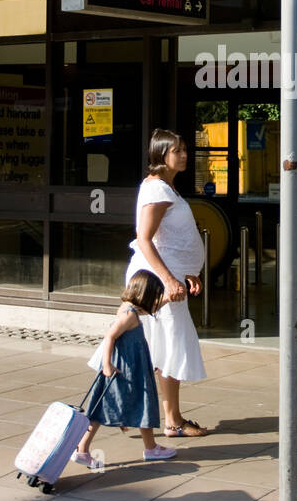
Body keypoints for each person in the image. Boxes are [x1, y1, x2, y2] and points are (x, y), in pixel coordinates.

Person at [125, 129, 209, 438]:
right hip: (158, 284)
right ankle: (171, 420)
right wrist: (170, 280)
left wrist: (188, 271)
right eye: (177, 150)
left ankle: (169, 418)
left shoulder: (166, 188)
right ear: (162, 155)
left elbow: (169, 239)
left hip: (168, 279)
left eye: (185, 148)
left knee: (162, 348)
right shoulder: (158, 190)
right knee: (167, 348)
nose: (184, 154)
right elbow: (145, 240)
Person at [73, 270, 175, 465]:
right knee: (108, 407)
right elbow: (110, 336)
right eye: (154, 296)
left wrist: (167, 299)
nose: (154, 300)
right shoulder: (129, 314)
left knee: (119, 405)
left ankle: (150, 447)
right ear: (144, 295)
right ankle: (83, 449)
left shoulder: (129, 308)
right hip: (124, 370)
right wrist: (106, 365)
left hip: (130, 368)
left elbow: (147, 310)